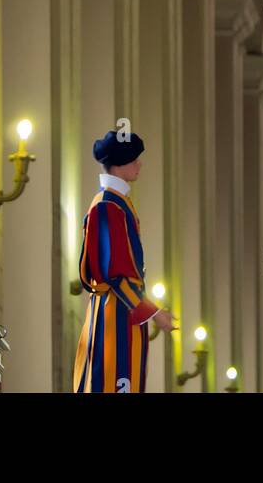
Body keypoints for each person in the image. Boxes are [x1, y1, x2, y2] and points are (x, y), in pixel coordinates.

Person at [73, 130, 177, 393]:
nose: (139, 164)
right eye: (134, 159)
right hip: (114, 313)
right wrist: (153, 312)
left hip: (122, 311)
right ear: (119, 165)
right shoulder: (108, 206)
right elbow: (115, 273)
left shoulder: (117, 202)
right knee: (112, 380)